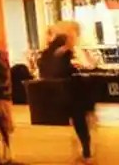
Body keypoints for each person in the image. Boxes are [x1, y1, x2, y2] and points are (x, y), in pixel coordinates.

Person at [39, 21, 97, 164]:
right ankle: (86, 151)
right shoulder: (63, 50)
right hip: (71, 93)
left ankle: (84, 150)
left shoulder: (52, 52)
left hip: (65, 93)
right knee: (80, 122)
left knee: (79, 122)